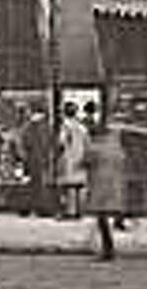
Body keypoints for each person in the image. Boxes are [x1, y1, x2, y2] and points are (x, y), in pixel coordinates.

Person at [83, 111, 129, 262]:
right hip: (114, 183)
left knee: (101, 217)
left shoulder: (94, 147)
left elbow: (86, 161)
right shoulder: (115, 145)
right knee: (110, 212)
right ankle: (111, 240)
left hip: (100, 185)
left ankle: (108, 249)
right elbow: (122, 160)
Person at [16, 105, 54, 217]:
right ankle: (38, 208)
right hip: (38, 159)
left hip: (34, 159)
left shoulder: (29, 127)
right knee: (39, 185)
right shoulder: (41, 127)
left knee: (34, 185)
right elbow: (49, 143)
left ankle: (29, 207)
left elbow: (23, 144)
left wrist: (24, 157)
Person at [55, 100, 90, 219]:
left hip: (69, 157)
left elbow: (61, 142)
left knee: (69, 187)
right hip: (80, 156)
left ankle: (70, 212)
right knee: (79, 186)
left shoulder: (65, 126)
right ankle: (80, 211)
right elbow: (87, 142)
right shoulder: (82, 127)